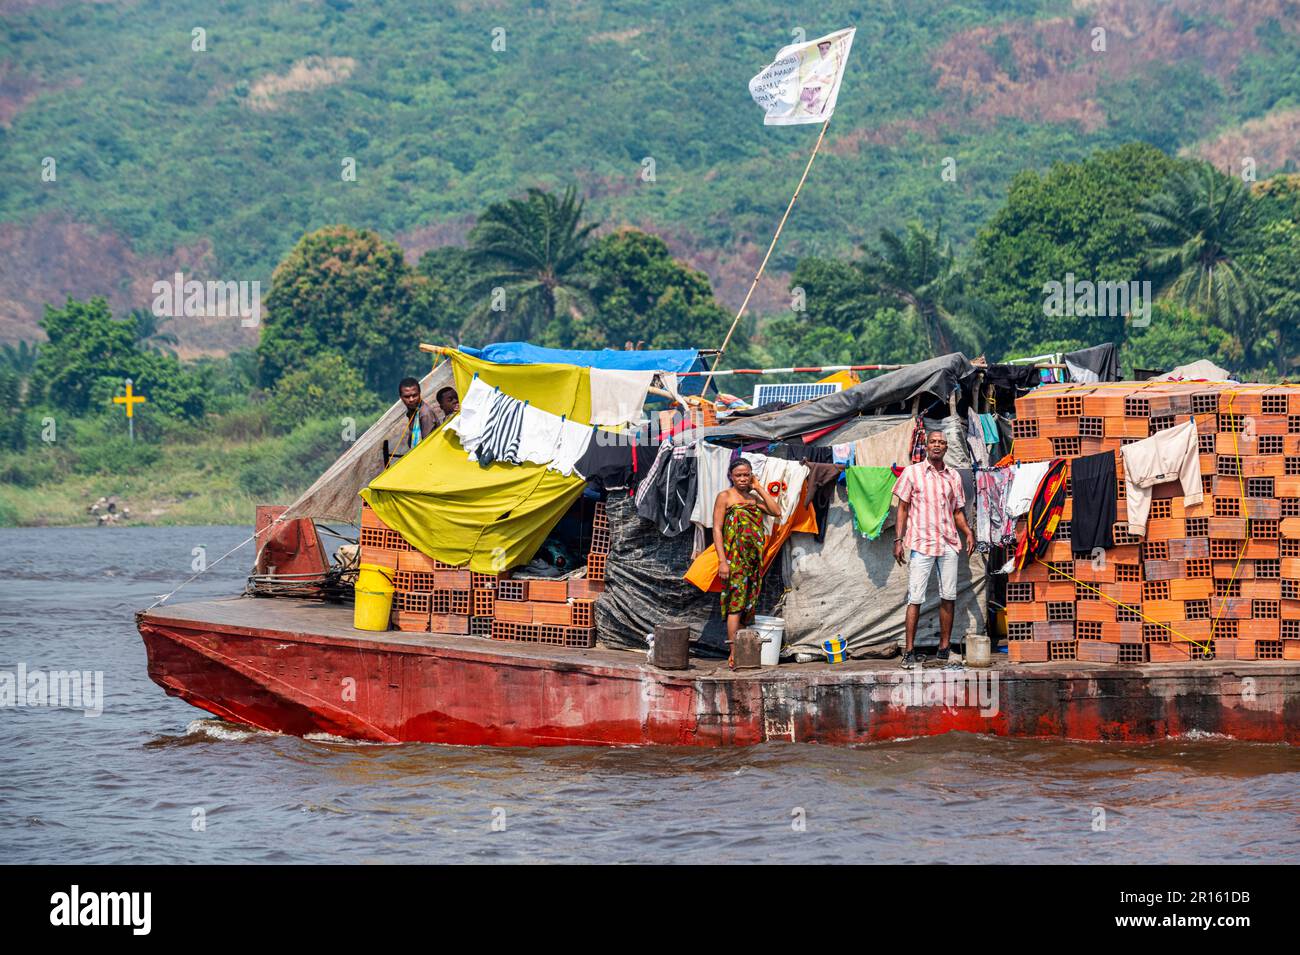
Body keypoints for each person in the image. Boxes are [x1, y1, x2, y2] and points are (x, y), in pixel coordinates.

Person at [892, 430, 975, 668]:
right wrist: (898, 540)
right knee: (915, 597)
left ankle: (944, 649)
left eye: (942, 443)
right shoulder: (912, 473)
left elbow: (957, 511)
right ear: (926, 446)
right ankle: (908, 652)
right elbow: (903, 509)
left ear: (946, 448)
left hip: (948, 542)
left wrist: (968, 532)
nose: (937, 445)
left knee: (948, 596)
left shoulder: (953, 477)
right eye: (933, 442)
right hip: (921, 543)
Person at [713, 458, 781, 668]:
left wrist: (759, 487)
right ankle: (734, 652)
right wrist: (722, 562)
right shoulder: (725, 497)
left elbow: (776, 511)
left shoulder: (753, 499)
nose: (742, 479)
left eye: (746, 475)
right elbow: (717, 529)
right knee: (735, 605)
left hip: (753, 562)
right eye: (738, 475)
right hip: (734, 561)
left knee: (746, 606)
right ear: (731, 477)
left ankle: (742, 651)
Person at [398, 377, 436, 454]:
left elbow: (426, 446)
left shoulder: (425, 414)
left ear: (419, 394)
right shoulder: (412, 412)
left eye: (414, 395)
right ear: (401, 397)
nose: (411, 399)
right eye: (407, 397)